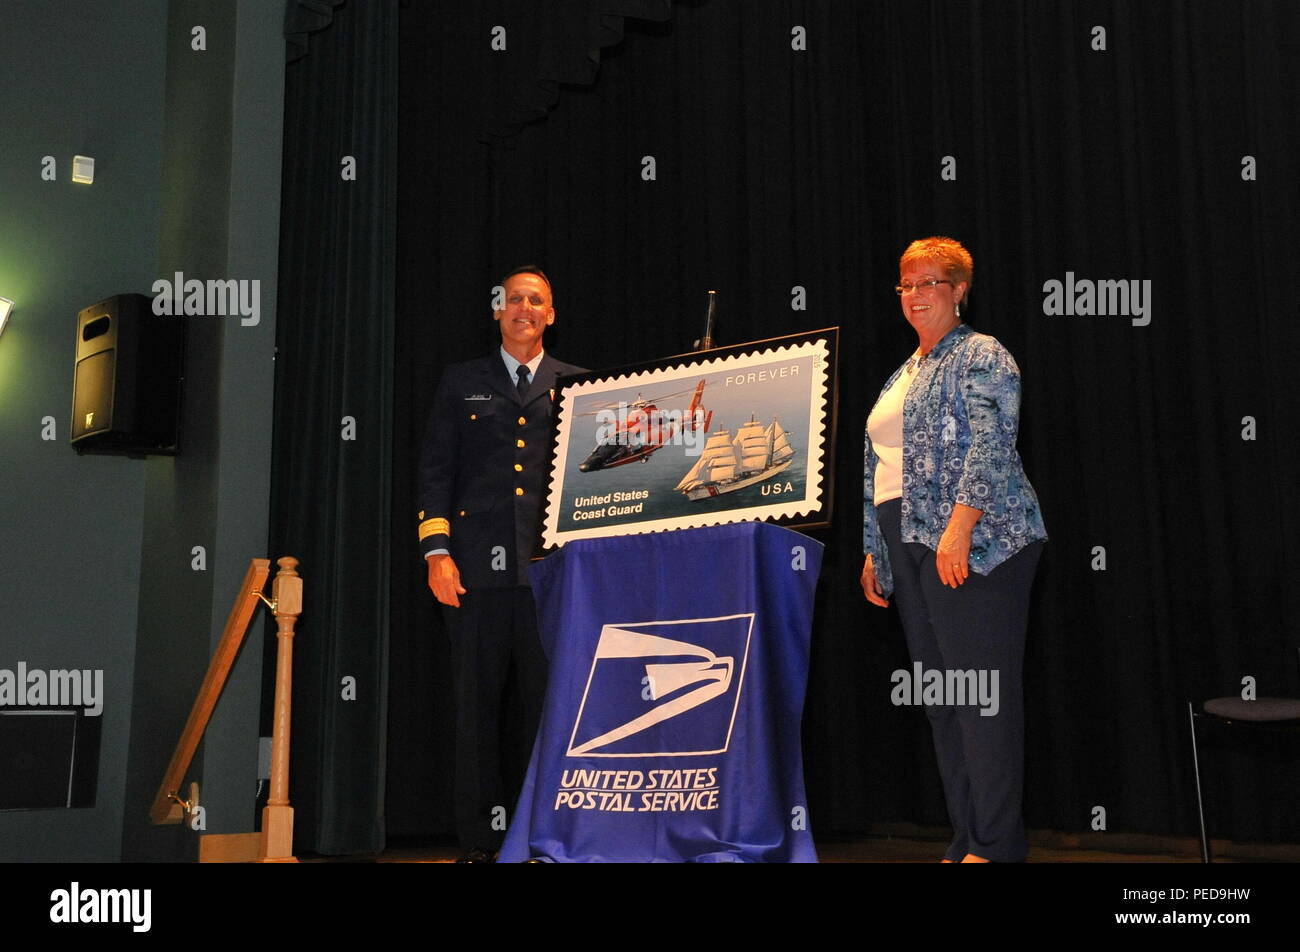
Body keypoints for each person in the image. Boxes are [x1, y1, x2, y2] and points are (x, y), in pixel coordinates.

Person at [861, 236, 1047, 863]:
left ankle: (996, 847)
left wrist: (961, 527)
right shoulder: (903, 372)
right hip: (906, 541)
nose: (916, 294)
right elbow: (881, 468)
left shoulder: (980, 354)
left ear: (960, 289)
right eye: (907, 284)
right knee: (944, 702)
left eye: (930, 282)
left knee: (980, 697)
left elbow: (994, 443)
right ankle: (966, 837)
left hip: (978, 540)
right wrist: (874, 550)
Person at [418, 265, 584, 862]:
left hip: (551, 580)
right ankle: (478, 846)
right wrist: (437, 553)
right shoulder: (462, 382)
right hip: (473, 580)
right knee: (474, 718)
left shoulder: (579, 386)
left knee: (552, 717)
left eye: (536, 300)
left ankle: (544, 841)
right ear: (498, 311)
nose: (524, 309)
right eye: (514, 300)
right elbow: (436, 473)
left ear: (551, 314)